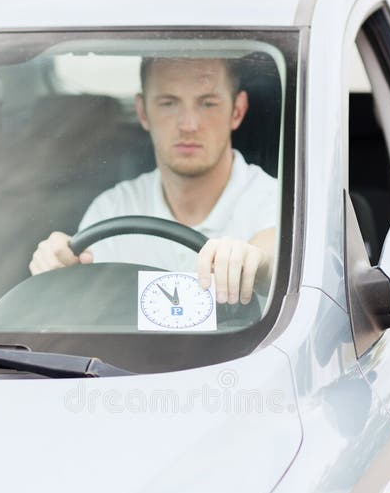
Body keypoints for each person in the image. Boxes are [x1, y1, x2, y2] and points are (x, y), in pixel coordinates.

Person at [29, 56, 278, 306]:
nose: (188, 125)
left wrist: (258, 262)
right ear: (142, 112)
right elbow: (83, 312)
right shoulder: (114, 209)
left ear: (237, 111)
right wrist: (57, 266)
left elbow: (274, 248)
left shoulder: (278, 203)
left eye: (208, 103)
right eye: (169, 103)